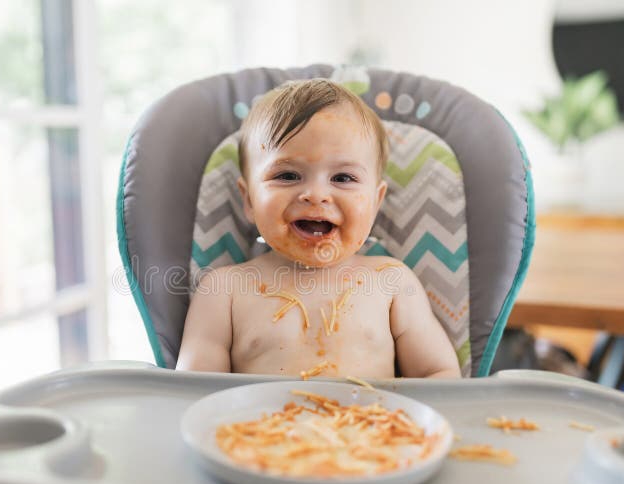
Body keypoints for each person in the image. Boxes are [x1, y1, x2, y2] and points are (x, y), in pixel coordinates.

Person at [176, 79, 461, 379]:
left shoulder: (392, 283)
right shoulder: (224, 291)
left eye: (343, 178)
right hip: (260, 413)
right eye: (287, 175)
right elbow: (193, 389)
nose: (316, 195)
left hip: (372, 412)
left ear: (375, 202)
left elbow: (439, 374)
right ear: (249, 200)